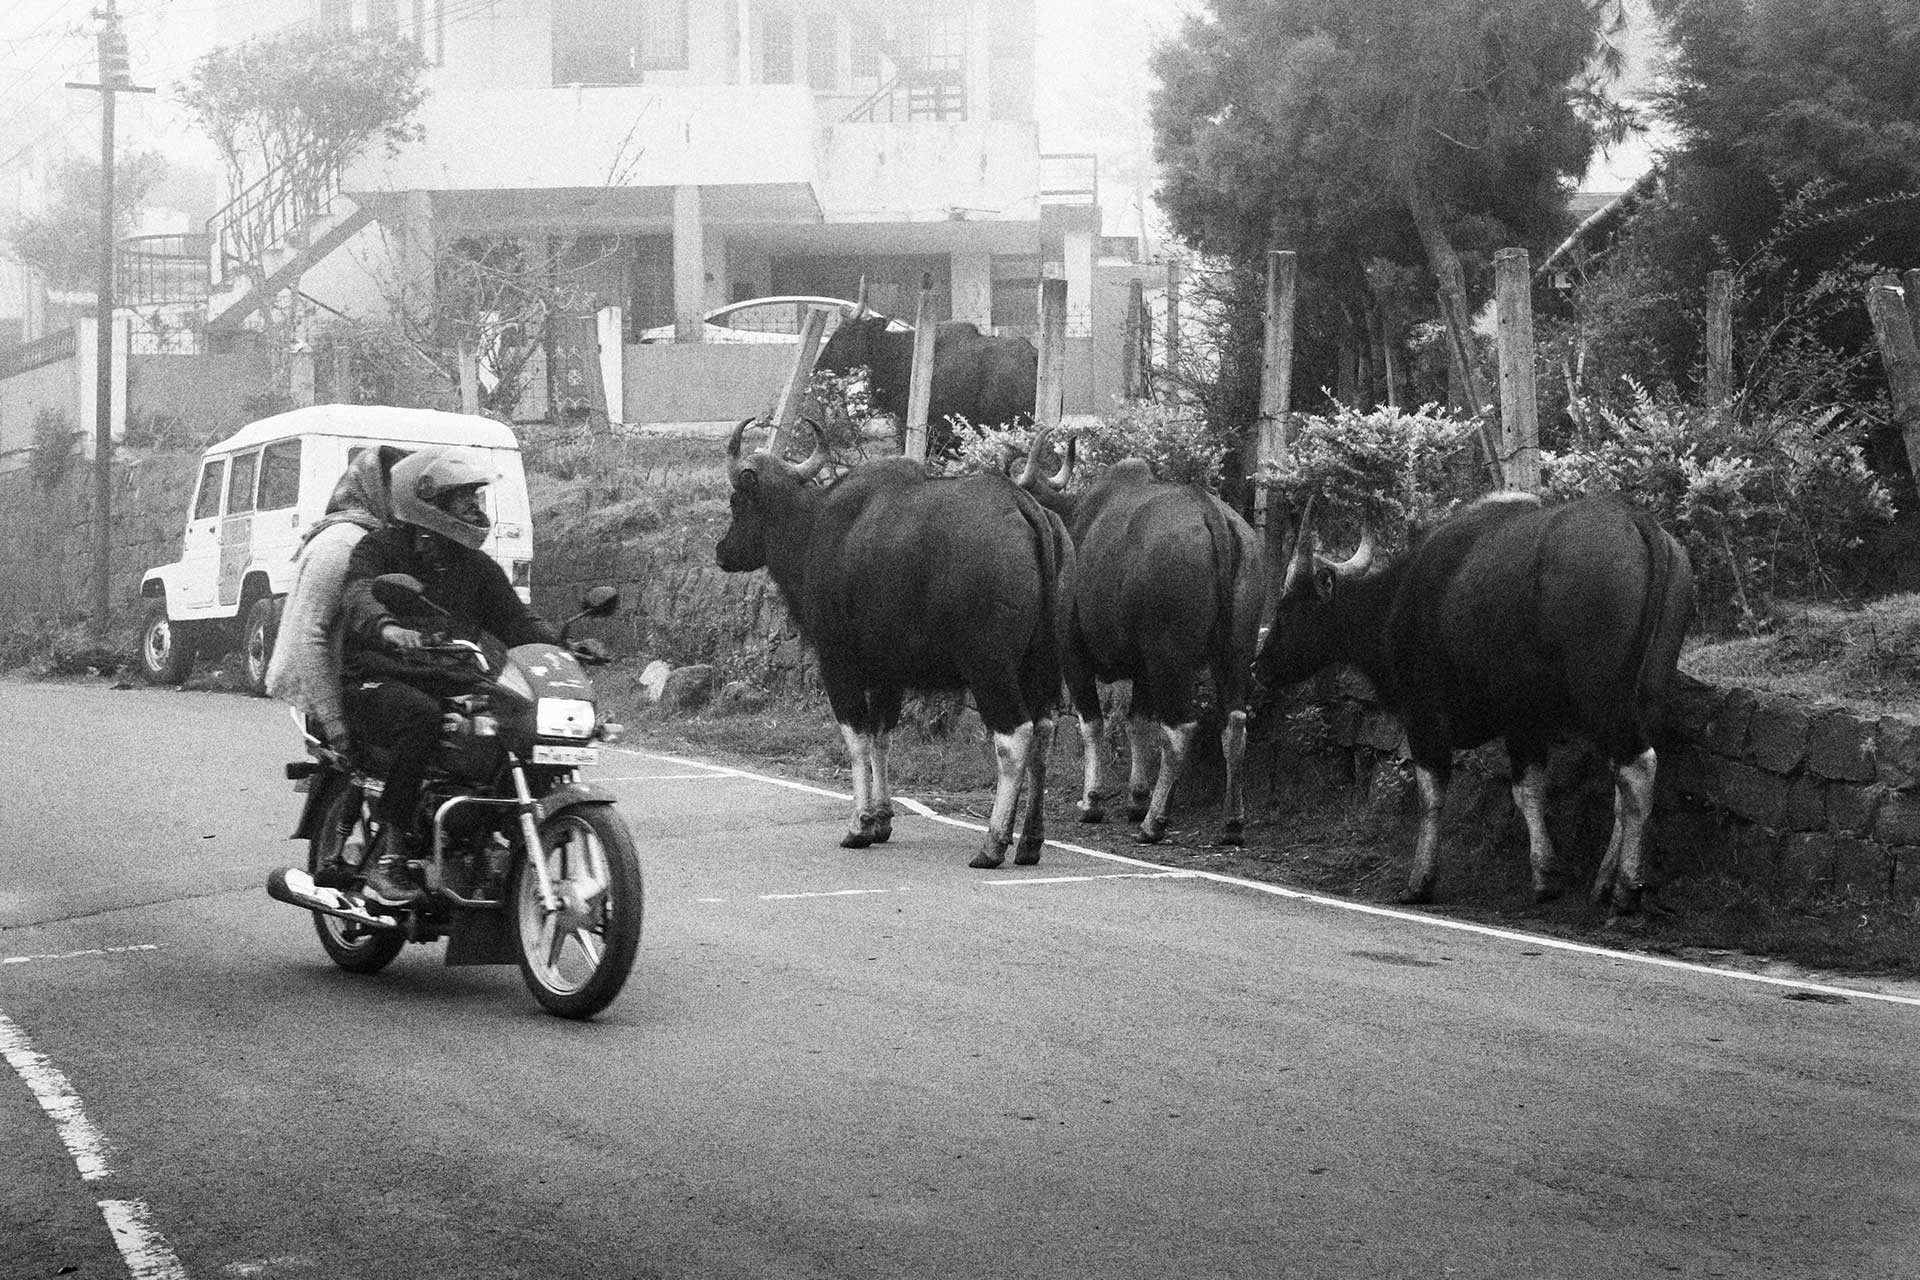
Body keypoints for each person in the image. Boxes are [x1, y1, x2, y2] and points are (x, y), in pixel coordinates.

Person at [337, 445, 562, 907]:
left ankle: (496, 844)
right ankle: (391, 859)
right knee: (420, 719)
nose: (476, 509)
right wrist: (389, 628)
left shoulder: (476, 567)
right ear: (428, 500)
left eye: (476, 498)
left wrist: (562, 646)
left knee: (515, 724)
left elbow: (516, 624)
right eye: (465, 499)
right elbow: (359, 594)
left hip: (450, 678)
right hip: (379, 679)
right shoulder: (381, 549)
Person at [265, 447, 403, 750]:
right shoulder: (341, 544)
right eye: (396, 489)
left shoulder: (371, 537)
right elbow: (309, 636)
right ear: (374, 490)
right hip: (331, 697)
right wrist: (333, 720)